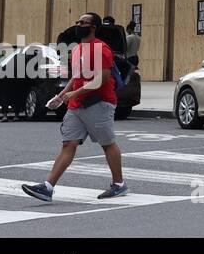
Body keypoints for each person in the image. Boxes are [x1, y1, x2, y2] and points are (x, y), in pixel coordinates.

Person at [21, 13, 128, 203]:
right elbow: (76, 77)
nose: (78, 25)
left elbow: (102, 78)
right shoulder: (78, 49)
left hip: (99, 102)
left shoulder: (101, 49)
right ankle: (48, 187)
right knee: (68, 144)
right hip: (77, 105)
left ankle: (119, 184)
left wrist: (75, 94)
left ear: (93, 27)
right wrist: (60, 96)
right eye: (77, 22)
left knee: (107, 143)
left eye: (83, 23)